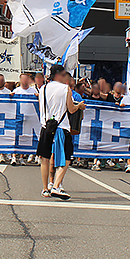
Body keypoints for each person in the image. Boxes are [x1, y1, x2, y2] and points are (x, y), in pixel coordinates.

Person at [35, 65, 84, 199]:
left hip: (46, 126)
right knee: (66, 158)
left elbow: (41, 108)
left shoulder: (43, 88)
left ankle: (45, 189)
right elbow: (71, 109)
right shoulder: (65, 89)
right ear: (58, 75)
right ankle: (56, 186)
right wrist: (79, 105)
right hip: (61, 127)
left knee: (45, 158)